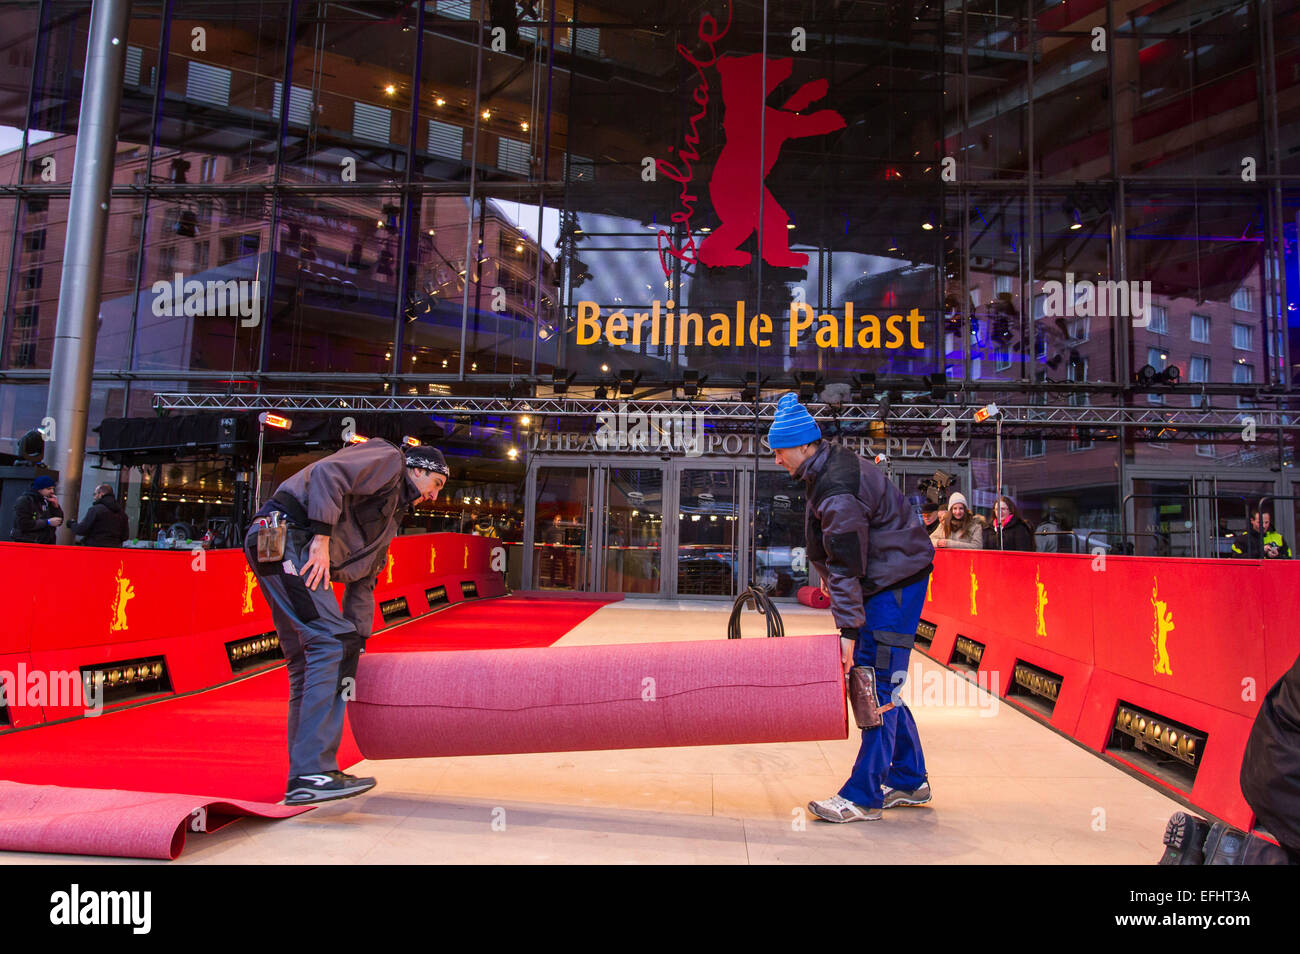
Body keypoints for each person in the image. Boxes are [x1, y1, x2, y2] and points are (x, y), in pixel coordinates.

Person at [243, 439, 447, 805]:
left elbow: (364, 580)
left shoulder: (390, 518)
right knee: (329, 644)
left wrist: (359, 639)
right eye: (437, 484)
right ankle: (310, 772)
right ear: (418, 470)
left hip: (288, 545)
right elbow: (327, 473)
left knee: (321, 656)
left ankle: (307, 773)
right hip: (286, 536)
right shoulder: (389, 460)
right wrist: (321, 539)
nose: (434, 496)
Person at [766, 393, 935, 823]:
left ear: (804, 445)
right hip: (889, 580)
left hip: (893, 586)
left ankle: (863, 797)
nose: (775, 457)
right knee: (883, 682)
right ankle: (909, 778)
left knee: (872, 684)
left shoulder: (837, 485)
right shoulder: (827, 467)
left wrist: (848, 631)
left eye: (779, 449)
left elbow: (845, 562)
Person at [71, 483, 131, 548]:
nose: (94, 497)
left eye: (95, 494)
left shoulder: (96, 510)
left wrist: (72, 524)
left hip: (94, 549)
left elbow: (82, 529)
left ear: (101, 494)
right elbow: (125, 536)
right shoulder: (122, 513)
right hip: (114, 550)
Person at [11, 475, 64, 544]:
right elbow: (23, 524)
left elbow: (59, 521)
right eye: (48, 488)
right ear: (39, 489)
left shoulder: (48, 500)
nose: (52, 491)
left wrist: (56, 507)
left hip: (47, 543)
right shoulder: (25, 501)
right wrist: (47, 522)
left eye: (53, 488)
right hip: (29, 543)